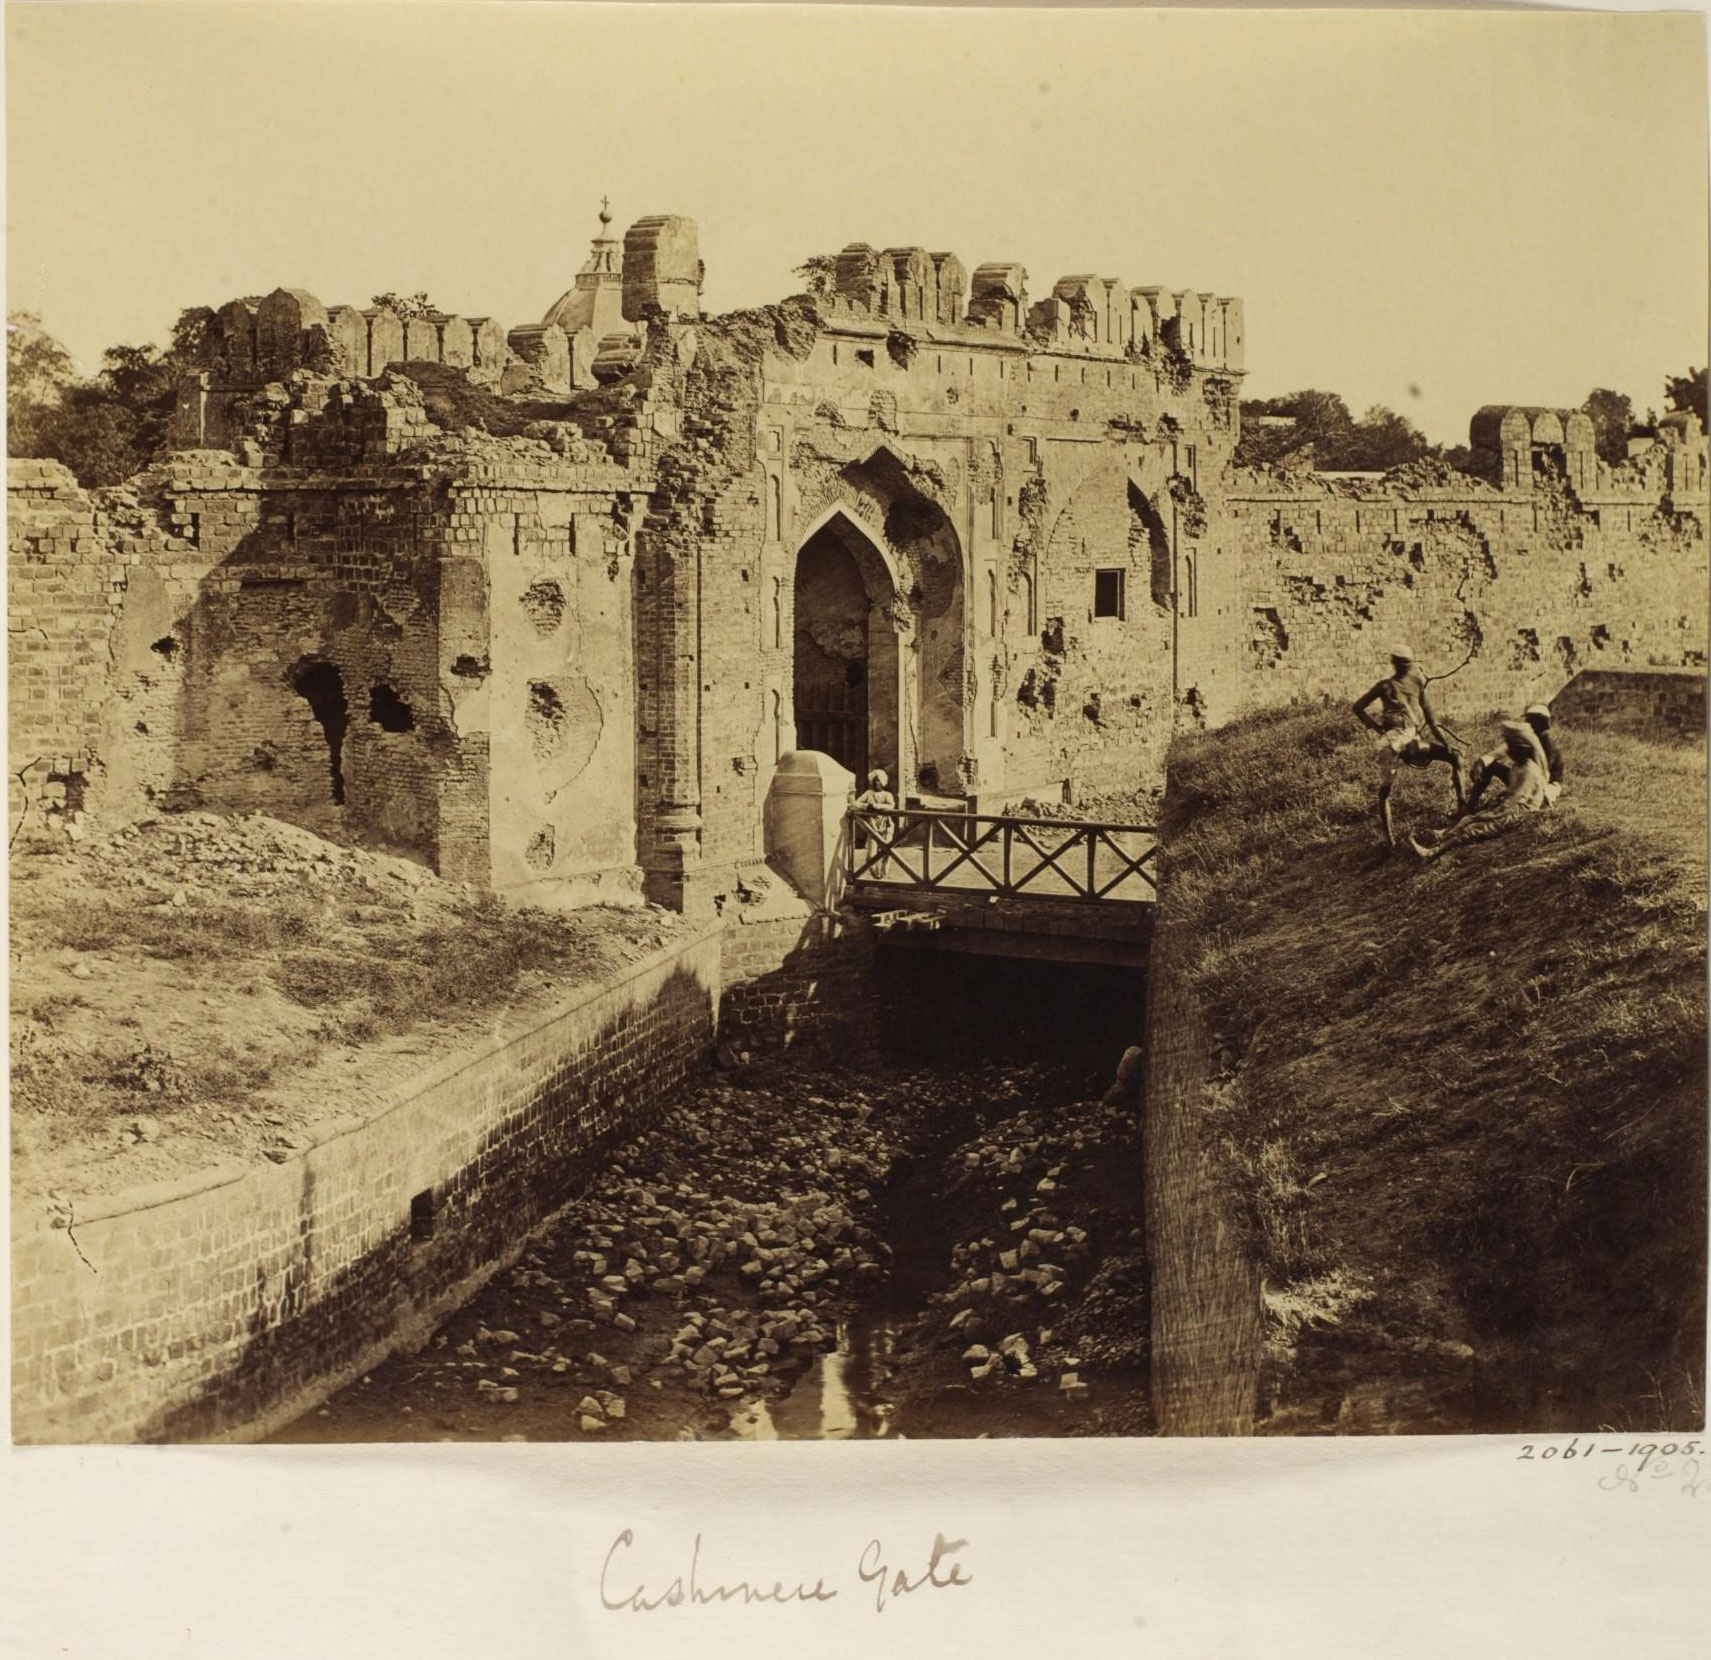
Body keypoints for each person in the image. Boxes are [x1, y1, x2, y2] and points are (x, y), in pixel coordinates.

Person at [1352, 644, 1466, 845]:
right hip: (1394, 741)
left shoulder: (1417, 682)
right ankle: (1390, 840)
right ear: (1395, 664)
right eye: (1402, 663)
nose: (1406, 666)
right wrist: (1375, 727)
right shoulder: (1385, 686)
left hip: (1411, 739)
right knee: (1385, 791)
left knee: (1455, 756)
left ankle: (1463, 807)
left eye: (1408, 663)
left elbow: (1431, 718)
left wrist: (1444, 742)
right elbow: (1358, 707)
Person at [1409, 720, 1549, 861]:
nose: (1508, 750)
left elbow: (1513, 804)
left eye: (1511, 746)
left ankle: (1431, 853)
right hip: (1510, 808)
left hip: (1517, 814)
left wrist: (1487, 815)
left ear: (1520, 748)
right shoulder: (1520, 765)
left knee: (1472, 829)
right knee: (1468, 819)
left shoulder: (1528, 771)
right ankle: (1443, 836)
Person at [1463, 702, 1564, 814]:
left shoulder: (1548, 744)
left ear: (1541, 722)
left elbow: (1545, 775)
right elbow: (1498, 752)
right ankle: (1468, 807)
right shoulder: (1527, 738)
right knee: (1491, 766)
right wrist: (1481, 762)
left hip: (1546, 785)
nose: (1526, 723)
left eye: (1530, 720)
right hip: (1524, 778)